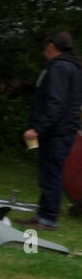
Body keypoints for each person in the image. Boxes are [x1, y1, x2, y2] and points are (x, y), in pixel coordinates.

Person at [22, 31, 82, 230]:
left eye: (46, 47)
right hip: (63, 129)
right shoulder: (73, 66)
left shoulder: (59, 67)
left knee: (51, 174)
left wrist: (37, 129)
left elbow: (55, 102)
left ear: (51, 47)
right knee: (49, 173)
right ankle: (42, 215)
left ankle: (48, 219)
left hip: (56, 132)